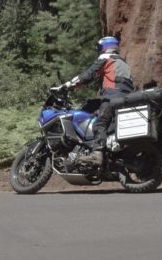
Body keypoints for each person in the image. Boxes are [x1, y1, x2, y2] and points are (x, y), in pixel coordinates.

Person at [54, 36, 134, 165]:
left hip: (112, 97)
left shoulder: (106, 58)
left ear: (104, 47)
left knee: (99, 124)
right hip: (126, 99)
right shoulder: (123, 63)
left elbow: (88, 75)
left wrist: (67, 86)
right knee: (95, 109)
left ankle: (97, 154)